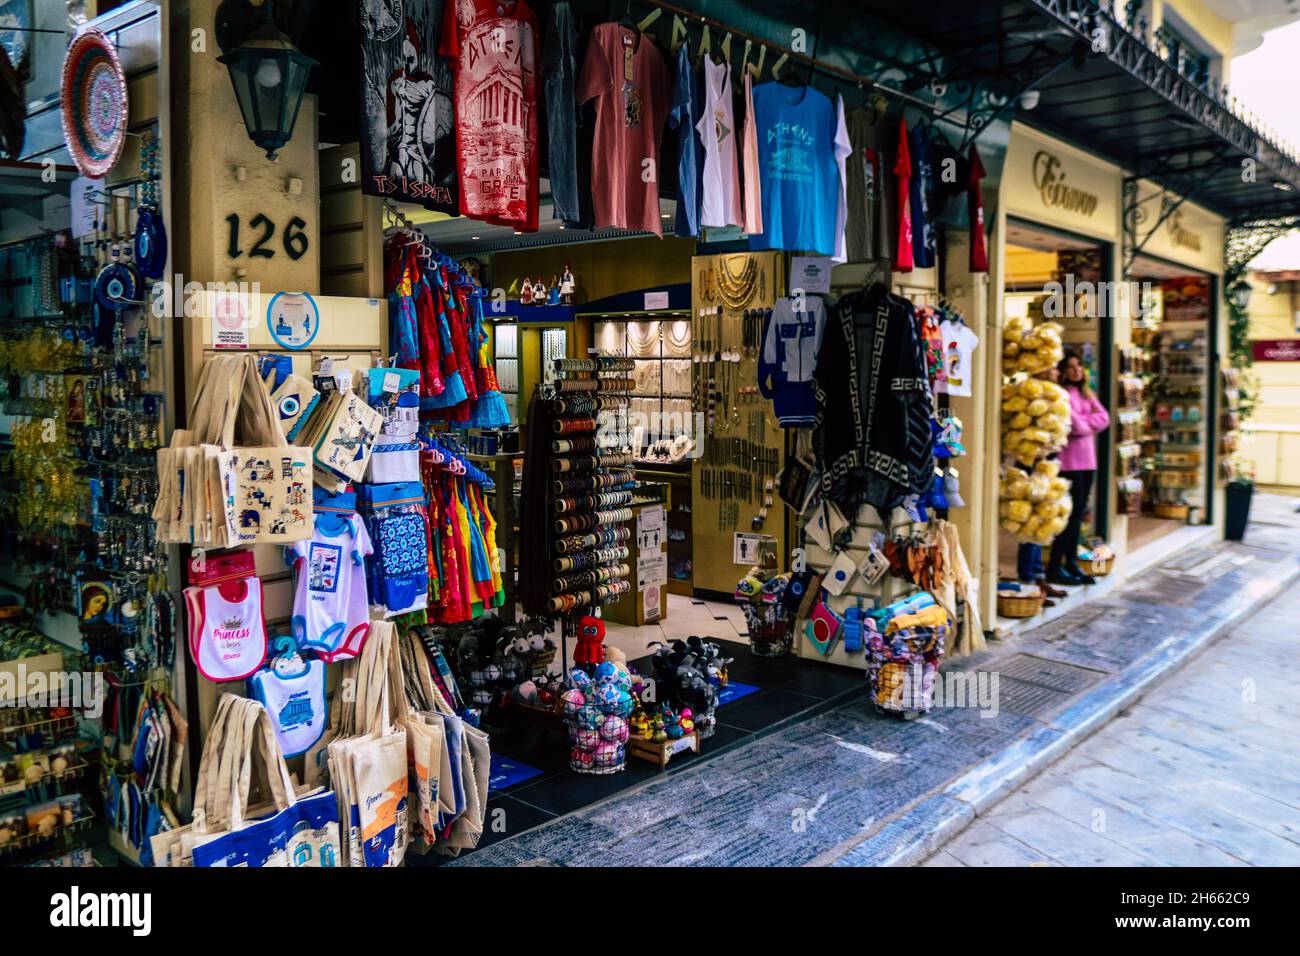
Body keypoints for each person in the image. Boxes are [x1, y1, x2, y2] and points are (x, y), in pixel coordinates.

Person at [1048, 349, 1110, 585]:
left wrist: (1086, 423)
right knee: (1067, 517)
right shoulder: (1060, 394)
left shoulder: (1086, 392)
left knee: (1079, 516)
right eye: (1071, 366)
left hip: (1088, 462)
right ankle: (1055, 565)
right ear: (1063, 370)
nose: (1076, 370)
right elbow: (1075, 426)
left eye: (1079, 366)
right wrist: (1088, 423)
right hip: (1068, 463)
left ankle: (1070, 563)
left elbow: (1105, 418)